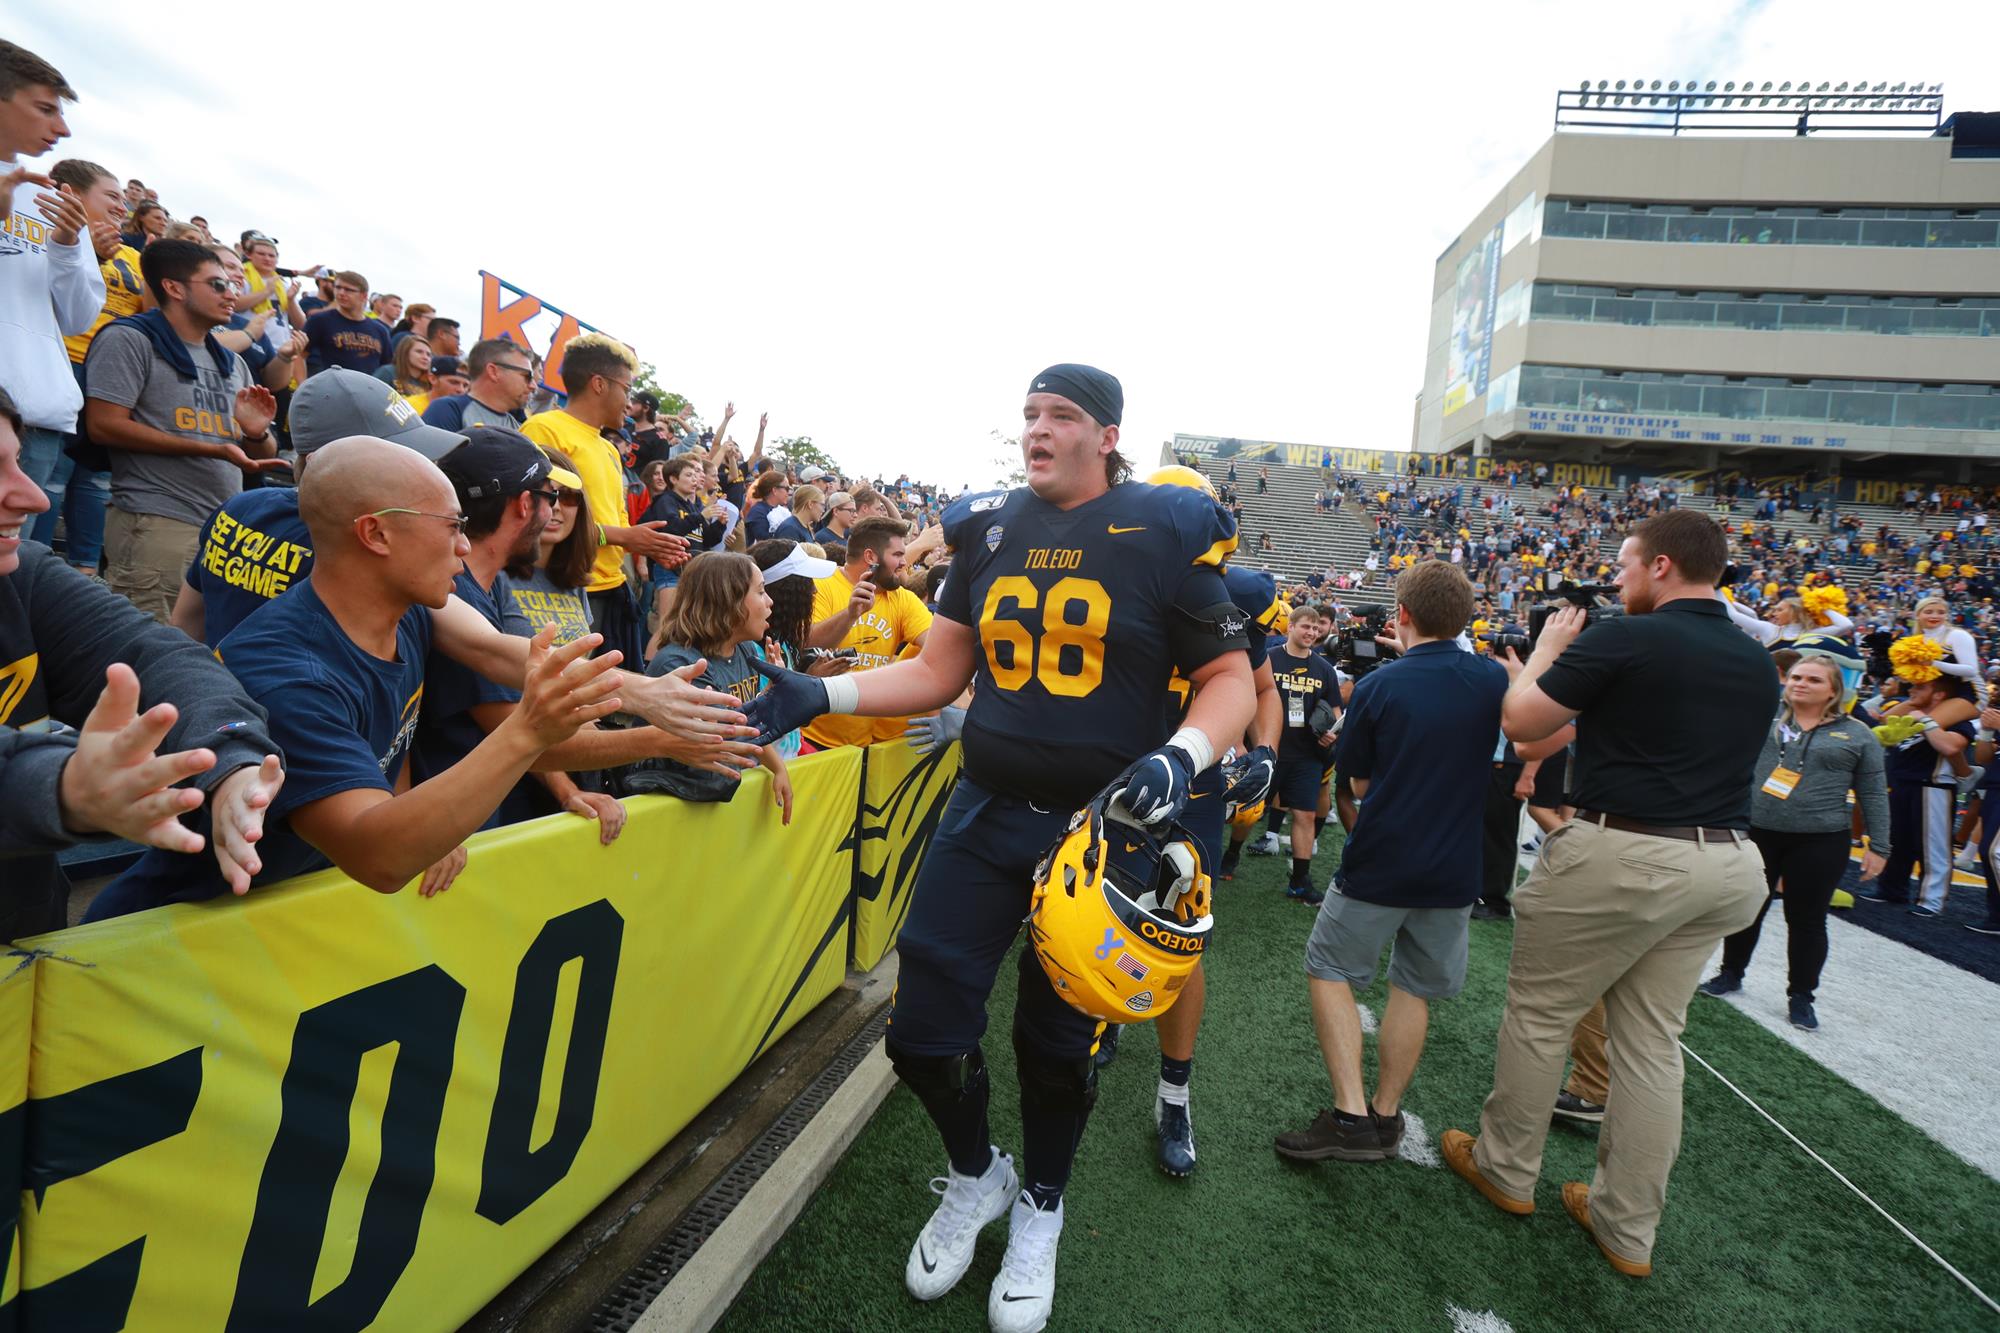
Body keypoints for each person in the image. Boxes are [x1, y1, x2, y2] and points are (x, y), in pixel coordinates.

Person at [737, 364, 1254, 1331]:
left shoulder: (1165, 525)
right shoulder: (987, 526)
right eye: (1029, 415)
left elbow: (1227, 673)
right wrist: (827, 694)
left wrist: (1181, 757)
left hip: (1100, 832)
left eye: (1061, 416)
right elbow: (938, 669)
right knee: (922, 1033)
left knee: (1058, 1045)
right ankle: (978, 1175)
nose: (1037, 431)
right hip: (987, 809)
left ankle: (1043, 1202)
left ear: (1106, 434)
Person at [85, 436, 630, 921]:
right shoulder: (286, 674)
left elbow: (460, 681)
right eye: (452, 526)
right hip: (168, 933)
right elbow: (380, 856)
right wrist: (528, 732)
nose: (466, 547)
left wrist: (419, 819)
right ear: (376, 534)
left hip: (268, 919)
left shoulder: (406, 609)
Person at [1441, 509, 1776, 1280]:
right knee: (1653, 1042)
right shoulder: (1757, 659)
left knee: (1541, 1014)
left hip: (1629, 851)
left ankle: (1505, 1166)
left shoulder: (1627, 637)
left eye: (1624, 565)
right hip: (1726, 861)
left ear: (1661, 565)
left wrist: (1549, 652)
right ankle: (1627, 1226)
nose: (1614, 579)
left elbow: (1523, 727)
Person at [0, 385, 285, 941]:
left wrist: (229, 763)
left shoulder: (22, 574)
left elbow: (158, 654)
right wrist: (67, 789)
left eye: (16, 461)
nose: (33, 497)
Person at [1275, 562, 1507, 1164]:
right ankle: (1386, 1113)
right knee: (1414, 988)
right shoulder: (1490, 680)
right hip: (1456, 864)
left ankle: (1351, 1114)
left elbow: (1354, 779)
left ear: (1402, 616)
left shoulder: (1380, 684)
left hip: (1384, 857)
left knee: (1328, 967)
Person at [82, 238, 284, 622]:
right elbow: (103, 426)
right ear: (174, 288)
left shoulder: (231, 361)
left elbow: (259, 453)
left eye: (232, 284)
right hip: (156, 522)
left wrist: (256, 433)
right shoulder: (130, 338)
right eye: (217, 285)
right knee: (147, 657)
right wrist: (212, 449)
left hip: (220, 532)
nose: (232, 294)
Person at [1697, 654, 1890, 1029]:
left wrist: (1879, 846)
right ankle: (1731, 972)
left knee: (1806, 919)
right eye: (1797, 677)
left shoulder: (1856, 734)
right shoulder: (1762, 722)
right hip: (1757, 831)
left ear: (1834, 690)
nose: (1800, 683)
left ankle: (1801, 995)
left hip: (1820, 838)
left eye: (1814, 680)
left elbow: (1873, 794)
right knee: (1746, 906)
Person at [522, 332, 687, 668]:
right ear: (599, 384)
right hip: (564, 589)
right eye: (626, 388)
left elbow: (618, 519)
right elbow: (538, 520)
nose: (629, 402)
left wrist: (648, 544)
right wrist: (626, 537)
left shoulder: (609, 449)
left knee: (612, 707)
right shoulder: (545, 429)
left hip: (613, 587)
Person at [0, 42, 106, 502]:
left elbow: (78, 320)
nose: (61, 129)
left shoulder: (55, 203)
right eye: (45, 109)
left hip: (36, 418)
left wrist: (65, 247)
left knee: (15, 568)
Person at [625, 552, 793, 822]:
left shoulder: (745, 649)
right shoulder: (681, 663)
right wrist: (774, 696)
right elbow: (727, 737)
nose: (770, 602)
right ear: (729, 600)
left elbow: (748, 723)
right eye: (761, 592)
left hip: (710, 800)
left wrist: (778, 768)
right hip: (671, 808)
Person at [35, 156, 135, 573]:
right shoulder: (33, 231)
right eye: (111, 196)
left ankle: (81, 570)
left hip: (103, 372)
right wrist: (82, 249)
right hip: (55, 363)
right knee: (48, 476)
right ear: (71, 194)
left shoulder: (129, 254)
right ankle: (36, 567)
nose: (121, 208)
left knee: (91, 479)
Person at [803, 516, 930, 750]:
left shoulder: (902, 599)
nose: (905, 563)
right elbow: (807, 645)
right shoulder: (822, 585)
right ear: (871, 557)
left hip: (863, 747)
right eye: (898, 555)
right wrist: (851, 614)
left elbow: (936, 645)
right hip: (811, 738)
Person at [1857, 672, 1974, 918]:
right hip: (1901, 783)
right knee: (1896, 841)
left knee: (1933, 848)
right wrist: (1912, 704)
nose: (1912, 689)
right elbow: (1879, 724)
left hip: (1934, 787)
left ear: (1940, 693)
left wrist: (1926, 721)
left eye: (1920, 687)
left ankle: (1930, 900)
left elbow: (1950, 746)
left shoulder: (1956, 719)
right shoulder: (1908, 710)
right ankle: (1891, 889)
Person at [1263, 602, 1344, 902]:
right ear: (1290, 627)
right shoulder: (1268, 659)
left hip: (1306, 755)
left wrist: (1332, 734)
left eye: (1315, 627)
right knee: (1243, 812)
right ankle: (1230, 857)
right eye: (1305, 626)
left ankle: (1300, 880)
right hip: (1268, 749)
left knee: (1305, 815)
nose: (1311, 631)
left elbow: (1336, 712)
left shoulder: (1324, 669)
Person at [638, 454, 728, 651]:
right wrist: (700, 516)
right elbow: (671, 528)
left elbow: (707, 540)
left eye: (695, 475)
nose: (695, 479)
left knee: (682, 625)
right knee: (666, 625)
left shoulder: (693, 505)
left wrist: (721, 525)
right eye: (688, 475)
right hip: (670, 568)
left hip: (690, 571)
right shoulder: (666, 500)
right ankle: (650, 672)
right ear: (673, 479)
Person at [423, 337, 536, 432]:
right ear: (493, 372)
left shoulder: (518, 426)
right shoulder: (448, 410)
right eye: (527, 376)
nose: (533, 386)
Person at [302, 271, 392, 376]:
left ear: (364, 296)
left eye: (348, 290)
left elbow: (387, 367)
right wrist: (302, 386)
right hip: (330, 388)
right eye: (338, 287)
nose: (341, 293)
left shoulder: (380, 330)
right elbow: (299, 355)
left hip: (367, 389)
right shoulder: (320, 320)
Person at [744, 469, 790, 543]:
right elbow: (765, 544)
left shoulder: (781, 510)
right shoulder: (757, 512)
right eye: (787, 489)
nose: (789, 493)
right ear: (774, 490)